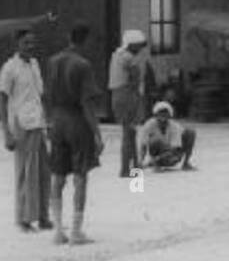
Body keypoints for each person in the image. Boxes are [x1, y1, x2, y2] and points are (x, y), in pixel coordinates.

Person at [44, 22, 105, 245]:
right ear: (85, 40)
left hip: (57, 119)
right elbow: (87, 103)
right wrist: (96, 133)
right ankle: (77, 231)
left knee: (58, 176)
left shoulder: (52, 61)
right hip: (76, 120)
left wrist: (50, 120)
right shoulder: (83, 65)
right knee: (80, 176)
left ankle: (58, 230)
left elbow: (47, 94)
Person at [0, 29, 51, 233]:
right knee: (25, 173)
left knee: (43, 173)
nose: (30, 46)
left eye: (33, 42)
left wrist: (48, 120)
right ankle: (23, 220)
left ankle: (43, 217)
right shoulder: (9, 68)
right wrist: (6, 133)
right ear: (17, 44)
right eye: (26, 43)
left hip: (38, 122)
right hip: (21, 124)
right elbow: (2, 100)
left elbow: (40, 95)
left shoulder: (35, 64)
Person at [109, 29, 149, 178]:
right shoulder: (129, 58)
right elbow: (135, 80)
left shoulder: (116, 55)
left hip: (116, 95)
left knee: (130, 132)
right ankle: (125, 169)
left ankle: (135, 164)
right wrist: (138, 100)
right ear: (131, 45)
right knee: (128, 133)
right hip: (127, 95)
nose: (140, 49)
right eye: (138, 46)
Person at [136, 101, 197, 171]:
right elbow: (143, 145)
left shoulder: (174, 126)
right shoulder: (149, 125)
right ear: (156, 115)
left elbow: (176, 149)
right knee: (155, 140)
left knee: (190, 132)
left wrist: (160, 158)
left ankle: (186, 163)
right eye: (160, 113)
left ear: (169, 115)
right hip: (158, 152)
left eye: (165, 113)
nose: (163, 116)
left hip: (171, 155)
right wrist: (140, 161)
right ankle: (156, 164)